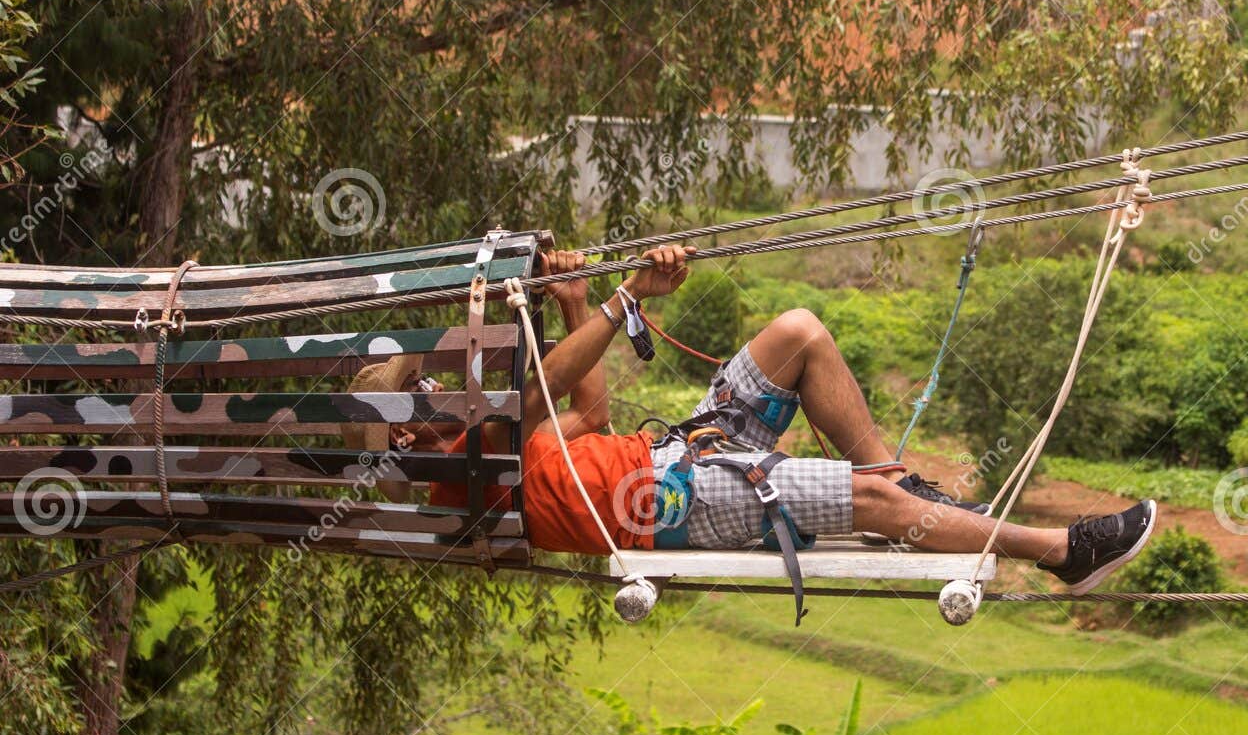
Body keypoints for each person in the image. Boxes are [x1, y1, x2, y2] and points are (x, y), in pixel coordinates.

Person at [343, 245, 1156, 598]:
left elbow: (586, 411)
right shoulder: (462, 476)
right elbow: (539, 389)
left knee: (798, 332)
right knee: (869, 504)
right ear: (403, 438)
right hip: (673, 504)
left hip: (679, 448)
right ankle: (1061, 551)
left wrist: (574, 303)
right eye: (420, 391)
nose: (436, 390)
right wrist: (622, 298)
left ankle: (903, 484)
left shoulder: (478, 444)